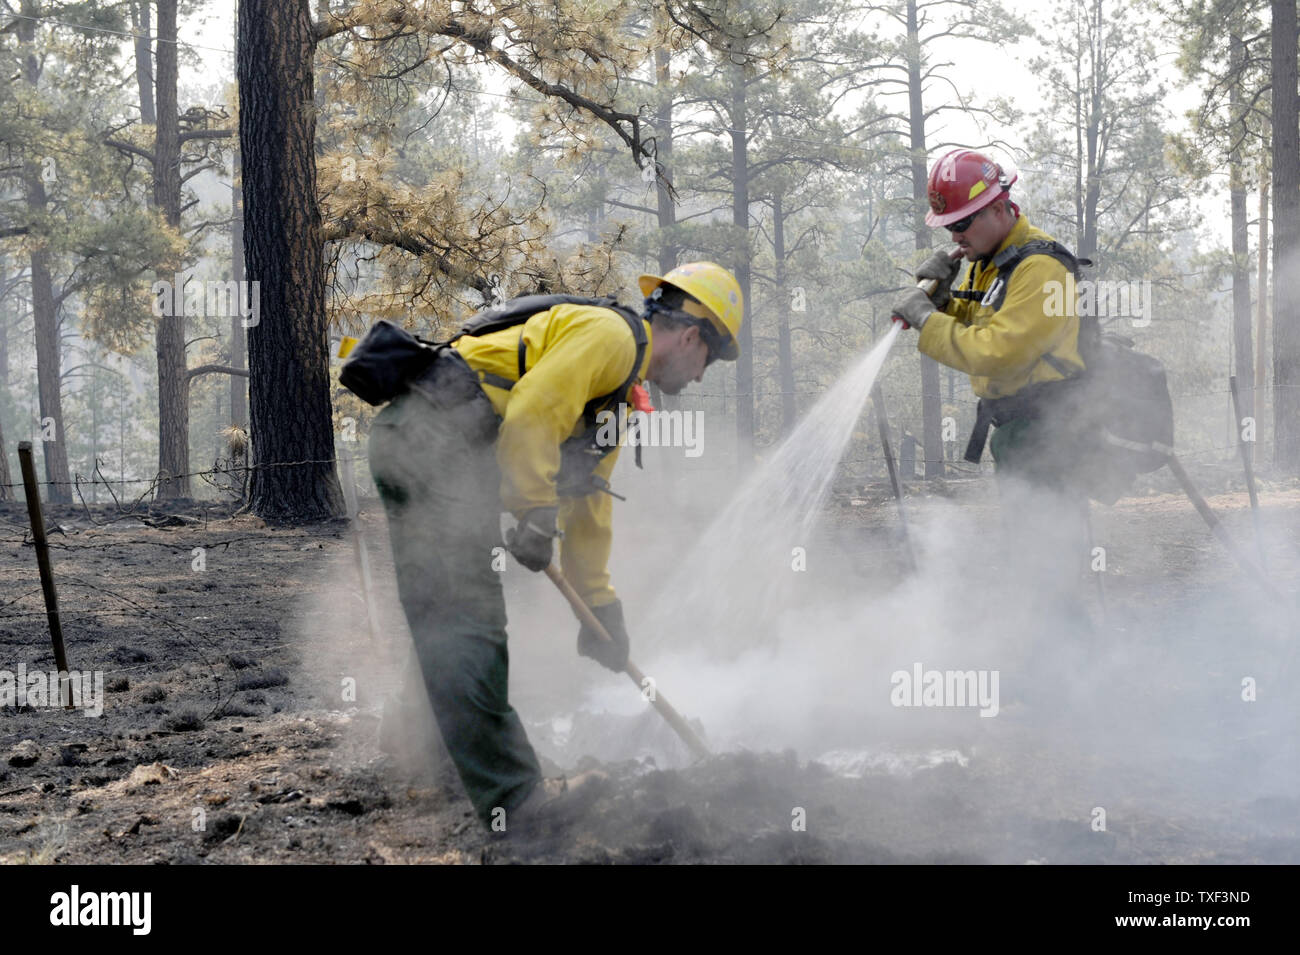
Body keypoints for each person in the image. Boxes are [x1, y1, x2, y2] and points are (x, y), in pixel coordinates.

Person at [367, 262, 743, 833]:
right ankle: (515, 799)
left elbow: (589, 503)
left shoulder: (619, 398)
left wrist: (601, 606)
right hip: (429, 446)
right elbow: (532, 413)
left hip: (442, 457)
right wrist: (533, 512)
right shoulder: (612, 338)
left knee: (446, 609)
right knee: (470, 619)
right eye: (708, 361)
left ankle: (409, 735)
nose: (699, 377)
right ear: (693, 336)